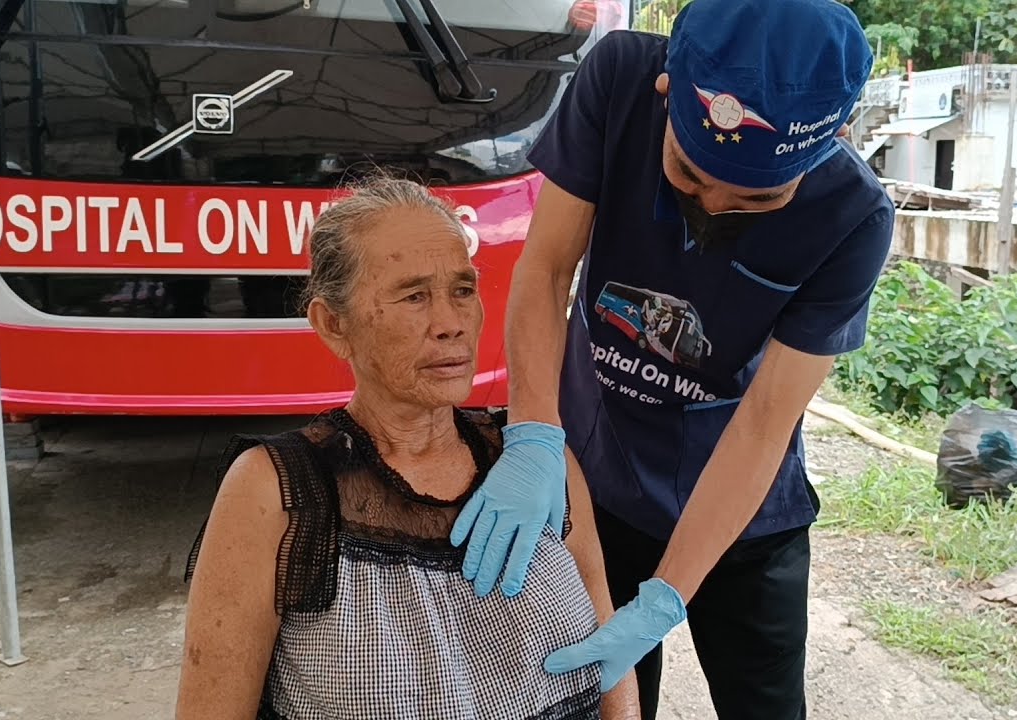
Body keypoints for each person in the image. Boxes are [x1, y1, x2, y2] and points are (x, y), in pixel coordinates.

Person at [449, 0, 895, 717]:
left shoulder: (856, 216)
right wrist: (532, 435)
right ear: (666, 90)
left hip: (743, 516)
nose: (712, 207)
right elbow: (546, 270)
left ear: (833, 140)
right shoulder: (620, 80)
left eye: (757, 198)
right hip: (604, 483)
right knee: (609, 703)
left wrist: (665, 600)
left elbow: (766, 422)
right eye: (689, 172)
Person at [175, 173, 639, 719]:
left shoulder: (534, 461)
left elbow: (609, 651)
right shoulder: (275, 492)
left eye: (462, 290)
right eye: (414, 296)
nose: (451, 324)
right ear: (333, 325)